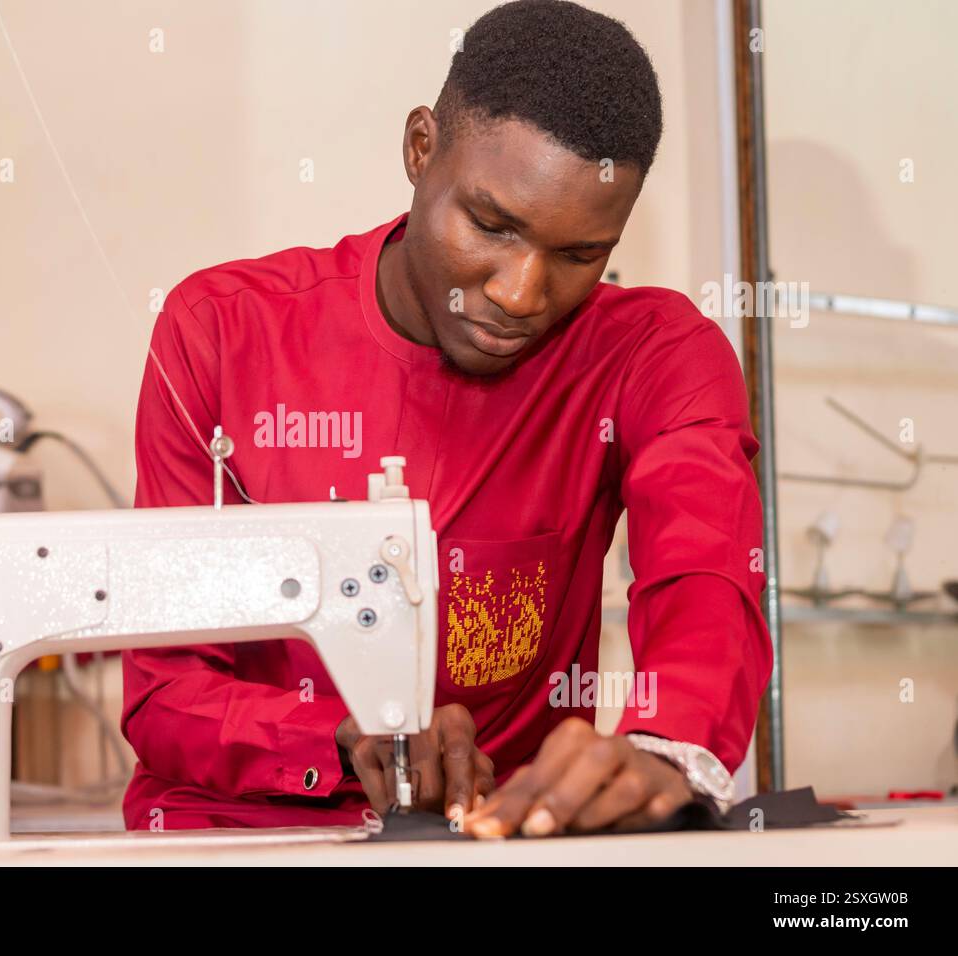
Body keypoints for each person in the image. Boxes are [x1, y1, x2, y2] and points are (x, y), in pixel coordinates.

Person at [122, 0, 772, 838]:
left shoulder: (652, 354)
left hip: (490, 834)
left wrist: (666, 748)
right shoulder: (222, 332)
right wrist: (336, 739)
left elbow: (706, 573)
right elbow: (166, 688)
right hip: (239, 830)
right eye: (491, 226)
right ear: (420, 147)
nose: (519, 294)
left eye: (580, 255)